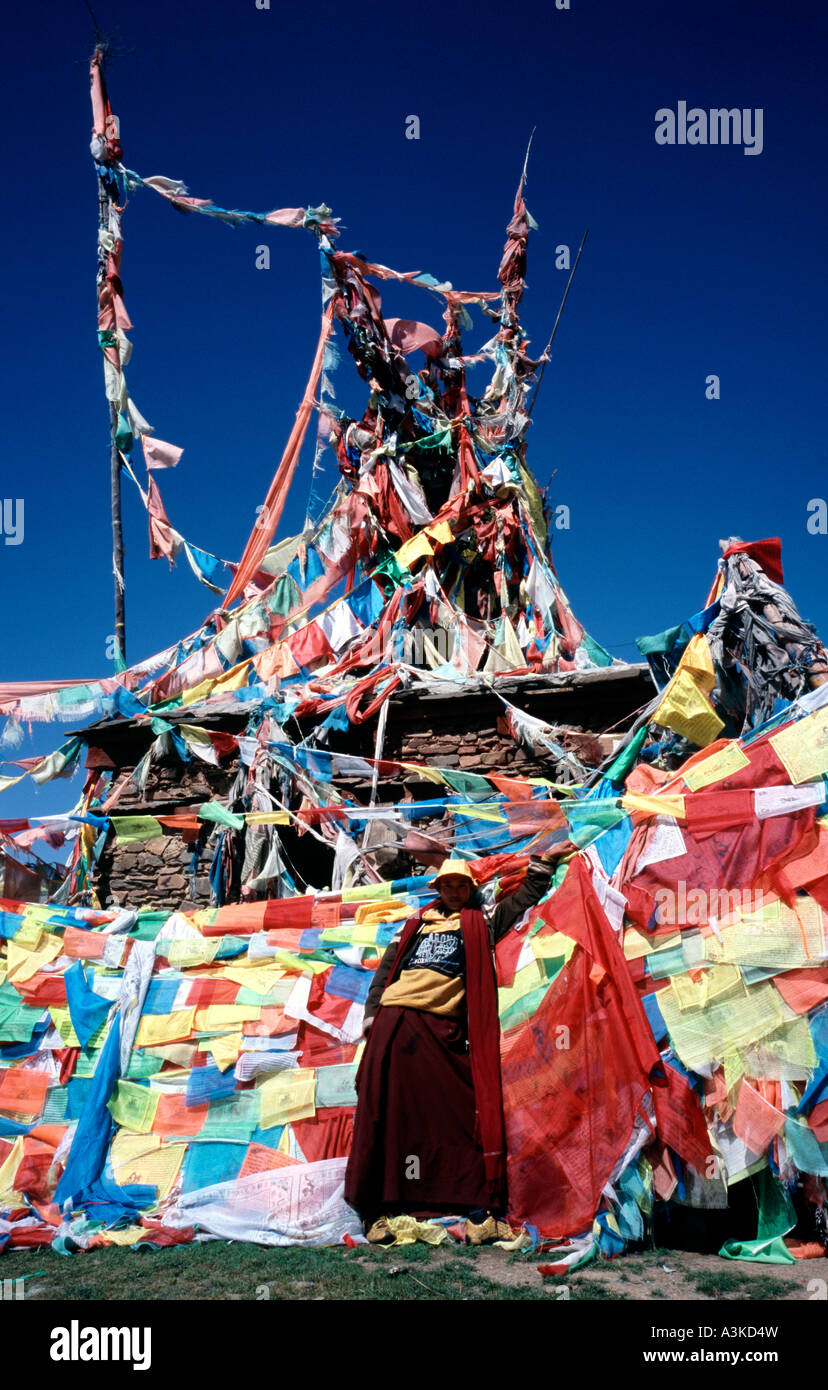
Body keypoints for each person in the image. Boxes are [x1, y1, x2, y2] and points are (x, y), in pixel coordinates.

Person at [344, 845, 571, 1244]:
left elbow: (520, 901)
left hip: (441, 1027)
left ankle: (465, 1196)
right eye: (446, 885)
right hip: (394, 1024)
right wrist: (371, 1015)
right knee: (386, 1113)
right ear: (438, 888)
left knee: (463, 1107)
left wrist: (544, 863)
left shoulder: (480, 922)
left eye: (459, 885)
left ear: (469, 888)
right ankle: (375, 1206)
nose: (452, 891)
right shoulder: (416, 924)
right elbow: (387, 970)